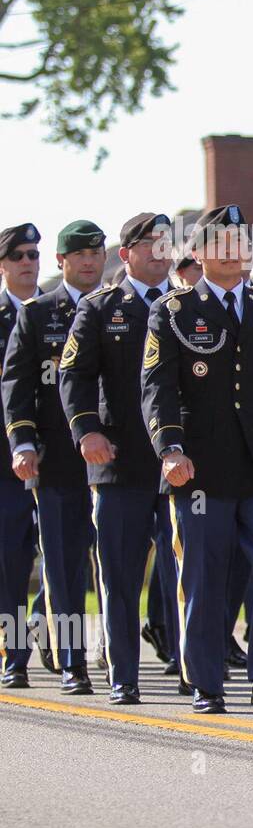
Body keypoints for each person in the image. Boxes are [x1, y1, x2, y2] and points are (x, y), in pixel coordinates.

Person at [141, 203, 253, 714]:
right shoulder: (173, 311)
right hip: (200, 465)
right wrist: (170, 449)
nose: (237, 250)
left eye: (242, 241)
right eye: (223, 242)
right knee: (203, 572)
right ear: (198, 252)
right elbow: (157, 389)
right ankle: (206, 681)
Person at [59, 212, 180, 703]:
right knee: (119, 571)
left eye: (165, 243)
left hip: (179, 462)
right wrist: (86, 431)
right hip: (120, 459)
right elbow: (75, 376)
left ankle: (193, 671)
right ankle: (124, 675)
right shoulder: (100, 307)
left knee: (185, 573)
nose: (159, 251)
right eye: (148, 244)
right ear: (125, 255)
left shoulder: (188, 305)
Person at [3, 220, 107, 694]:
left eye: (96, 251)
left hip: (119, 462)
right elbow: (18, 387)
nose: (89, 260)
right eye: (79, 253)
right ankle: (69, 660)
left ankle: (123, 657)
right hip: (58, 460)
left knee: (115, 561)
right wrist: (23, 443)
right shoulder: (38, 313)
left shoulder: (125, 308)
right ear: (64, 262)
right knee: (61, 565)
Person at [0, 223, 42, 688]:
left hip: (57, 460)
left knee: (63, 556)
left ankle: (53, 642)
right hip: (5, 464)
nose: (28, 263)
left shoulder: (59, 312)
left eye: (33, 255)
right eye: (18, 256)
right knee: (12, 560)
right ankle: (15, 653)